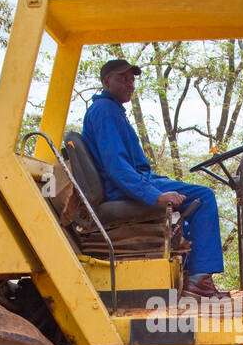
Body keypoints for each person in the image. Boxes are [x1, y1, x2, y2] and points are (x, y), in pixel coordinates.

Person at [81, 58, 231, 300]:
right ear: (106, 81)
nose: (129, 84)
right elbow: (116, 166)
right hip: (121, 189)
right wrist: (155, 195)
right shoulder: (104, 111)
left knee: (189, 207)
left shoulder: (112, 110)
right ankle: (199, 283)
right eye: (122, 78)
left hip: (134, 182)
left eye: (131, 79)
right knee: (203, 197)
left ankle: (192, 279)